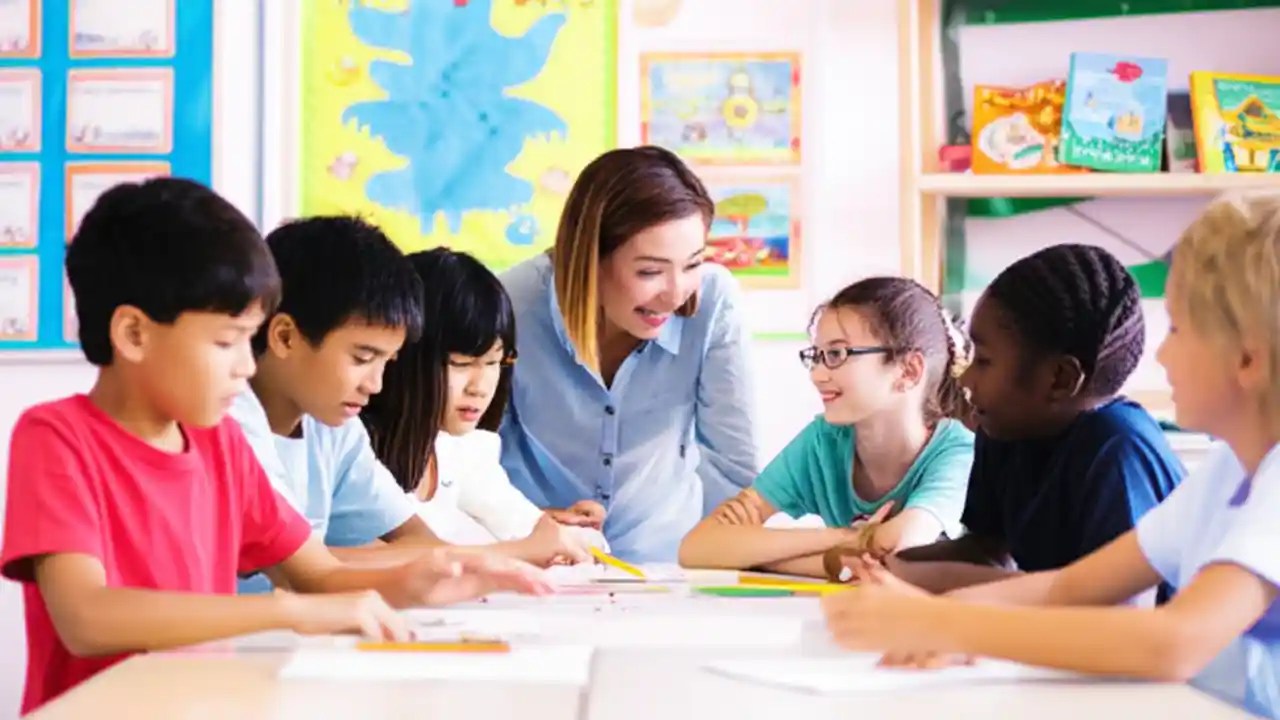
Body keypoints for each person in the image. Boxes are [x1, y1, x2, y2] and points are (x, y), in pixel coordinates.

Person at [0, 179, 547, 714]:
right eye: (226, 341)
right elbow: (87, 618)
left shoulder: (219, 445)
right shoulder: (57, 437)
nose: (246, 365)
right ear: (134, 334)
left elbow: (317, 574)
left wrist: (422, 580)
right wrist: (287, 612)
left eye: (249, 338)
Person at [822, 193, 1280, 719]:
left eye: (1177, 329)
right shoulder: (1225, 475)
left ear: (1247, 360)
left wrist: (946, 624)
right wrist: (928, 608)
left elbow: (1175, 643)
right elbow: (1068, 587)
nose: (1161, 353)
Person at [498, 146, 759, 562]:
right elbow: (469, 463)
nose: (676, 294)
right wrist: (522, 523)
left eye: (693, 264)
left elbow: (733, 469)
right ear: (590, 259)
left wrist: (723, 565)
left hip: (669, 567)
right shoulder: (510, 305)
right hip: (537, 564)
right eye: (650, 271)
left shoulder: (713, 303)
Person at [882, 243, 1183, 596]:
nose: (966, 379)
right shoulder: (1005, 428)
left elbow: (1120, 609)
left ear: (1060, 379)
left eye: (984, 361)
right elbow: (989, 550)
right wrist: (886, 564)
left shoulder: (1117, 451)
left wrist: (921, 580)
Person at [679, 277, 975, 577]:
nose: (817, 375)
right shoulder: (823, 442)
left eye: (837, 355)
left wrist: (758, 557)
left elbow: (897, 549)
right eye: (816, 357)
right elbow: (698, 547)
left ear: (908, 370)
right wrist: (844, 540)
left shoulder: (958, 452)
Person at [230, 216, 447, 591]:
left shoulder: (334, 425)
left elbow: (423, 543)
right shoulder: (230, 417)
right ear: (285, 337)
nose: (375, 385)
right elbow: (306, 570)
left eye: (387, 362)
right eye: (362, 358)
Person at [362, 248, 608, 566]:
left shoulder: (458, 449)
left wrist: (559, 530)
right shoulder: (358, 450)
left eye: (494, 362)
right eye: (461, 364)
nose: (479, 387)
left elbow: (516, 521)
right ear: (402, 355)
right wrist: (527, 546)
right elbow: (377, 560)